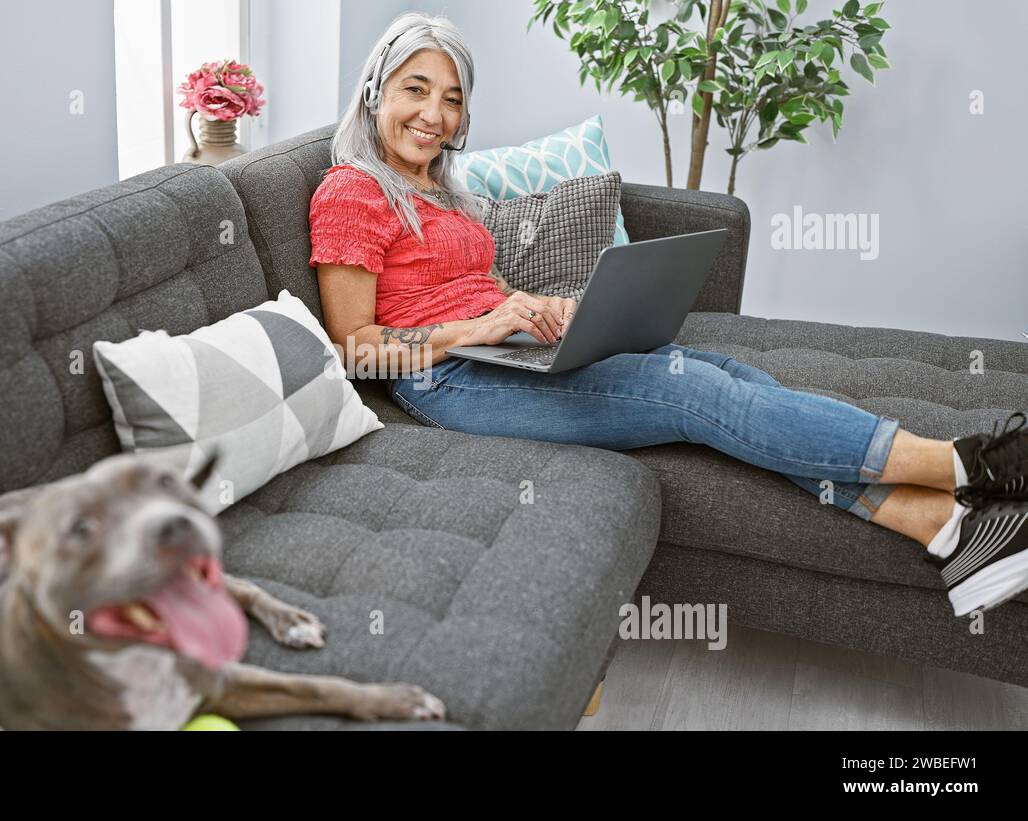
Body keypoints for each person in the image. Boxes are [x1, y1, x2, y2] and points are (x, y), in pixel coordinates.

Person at [308, 12, 1028, 617]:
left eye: (453, 99)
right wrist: (479, 329)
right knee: (692, 394)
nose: (435, 115)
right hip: (445, 383)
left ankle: (946, 530)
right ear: (375, 91)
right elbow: (357, 350)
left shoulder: (441, 190)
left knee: (722, 368)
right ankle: (972, 464)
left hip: (503, 350)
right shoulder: (351, 190)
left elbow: (470, 281)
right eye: (416, 90)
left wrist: (537, 309)